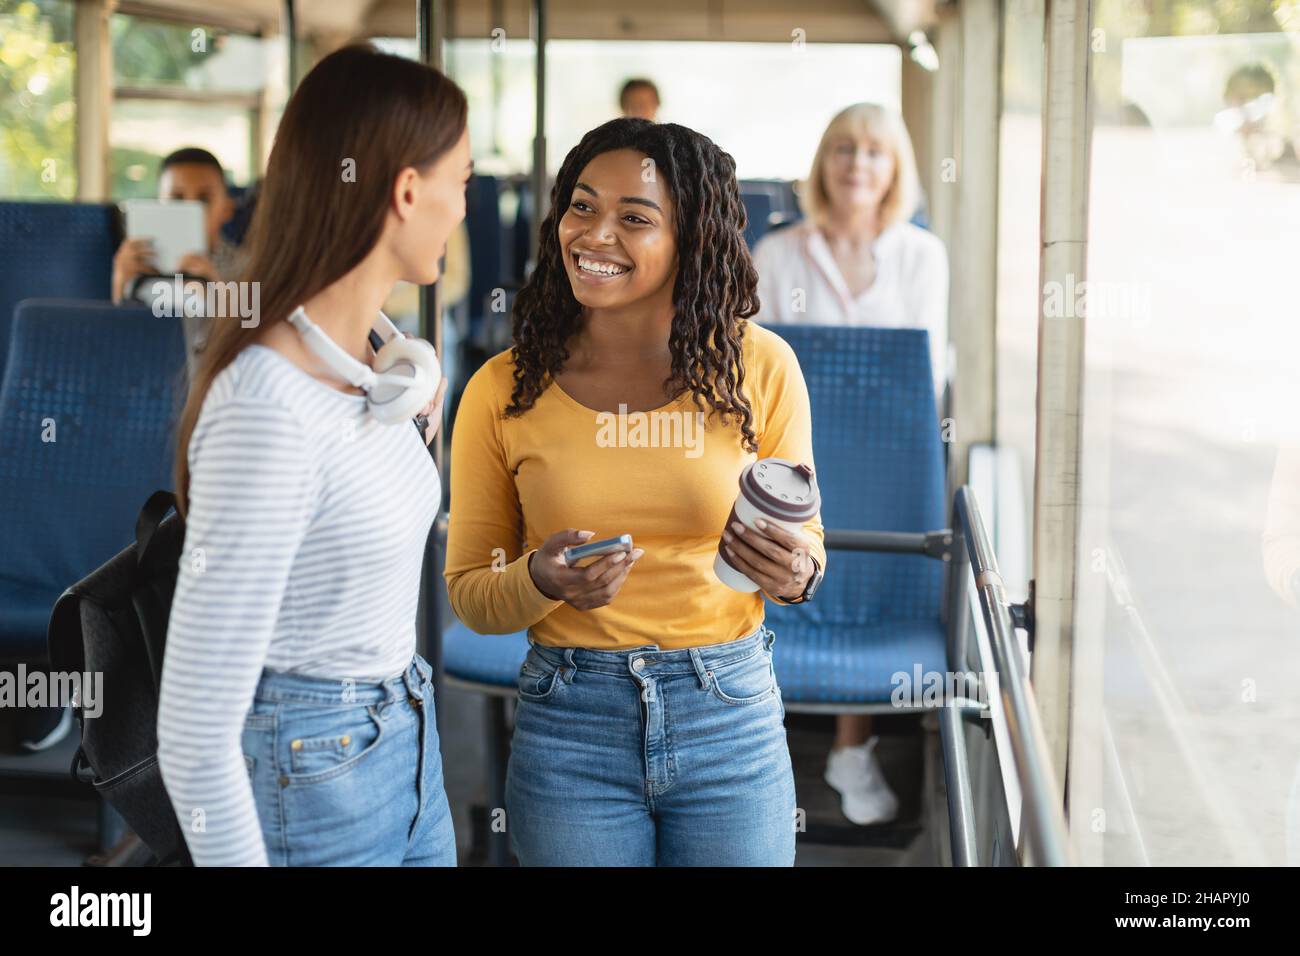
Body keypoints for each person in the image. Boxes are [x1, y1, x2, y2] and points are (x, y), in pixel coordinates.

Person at [445, 117, 826, 867]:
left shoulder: (763, 368)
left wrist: (798, 572)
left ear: (692, 239)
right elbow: (471, 594)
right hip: (570, 724)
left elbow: (808, 543)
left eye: (635, 217)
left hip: (728, 713)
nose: (594, 235)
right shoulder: (500, 390)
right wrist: (539, 580)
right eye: (581, 207)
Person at [155, 44, 469, 867]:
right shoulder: (268, 407)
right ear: (408, 191)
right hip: (314, 764)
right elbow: (193, 735)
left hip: (405, 734)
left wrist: (414, 399)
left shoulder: (377, 361)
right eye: (461, 182)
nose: (465, 207)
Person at [751, 102, 949, 827]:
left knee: (870, 587)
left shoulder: (923, 258)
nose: (857, 164)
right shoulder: (778, 253)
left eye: (874, 151)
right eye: (842, 149)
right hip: (793, 454)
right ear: (822, 164)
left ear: (895, 167)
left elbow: (923, 379)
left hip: (891, 460)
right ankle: (754, 742)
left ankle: (851, 750)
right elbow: (757, 375)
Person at [111, 147, 246, 362]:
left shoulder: (249, 268)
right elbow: (121, 344)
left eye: (203, 200)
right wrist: (121, 285)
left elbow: (251, 345)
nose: (190, 210)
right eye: (176, 198)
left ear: (227, 209)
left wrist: (214, 291)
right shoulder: (139, 263)